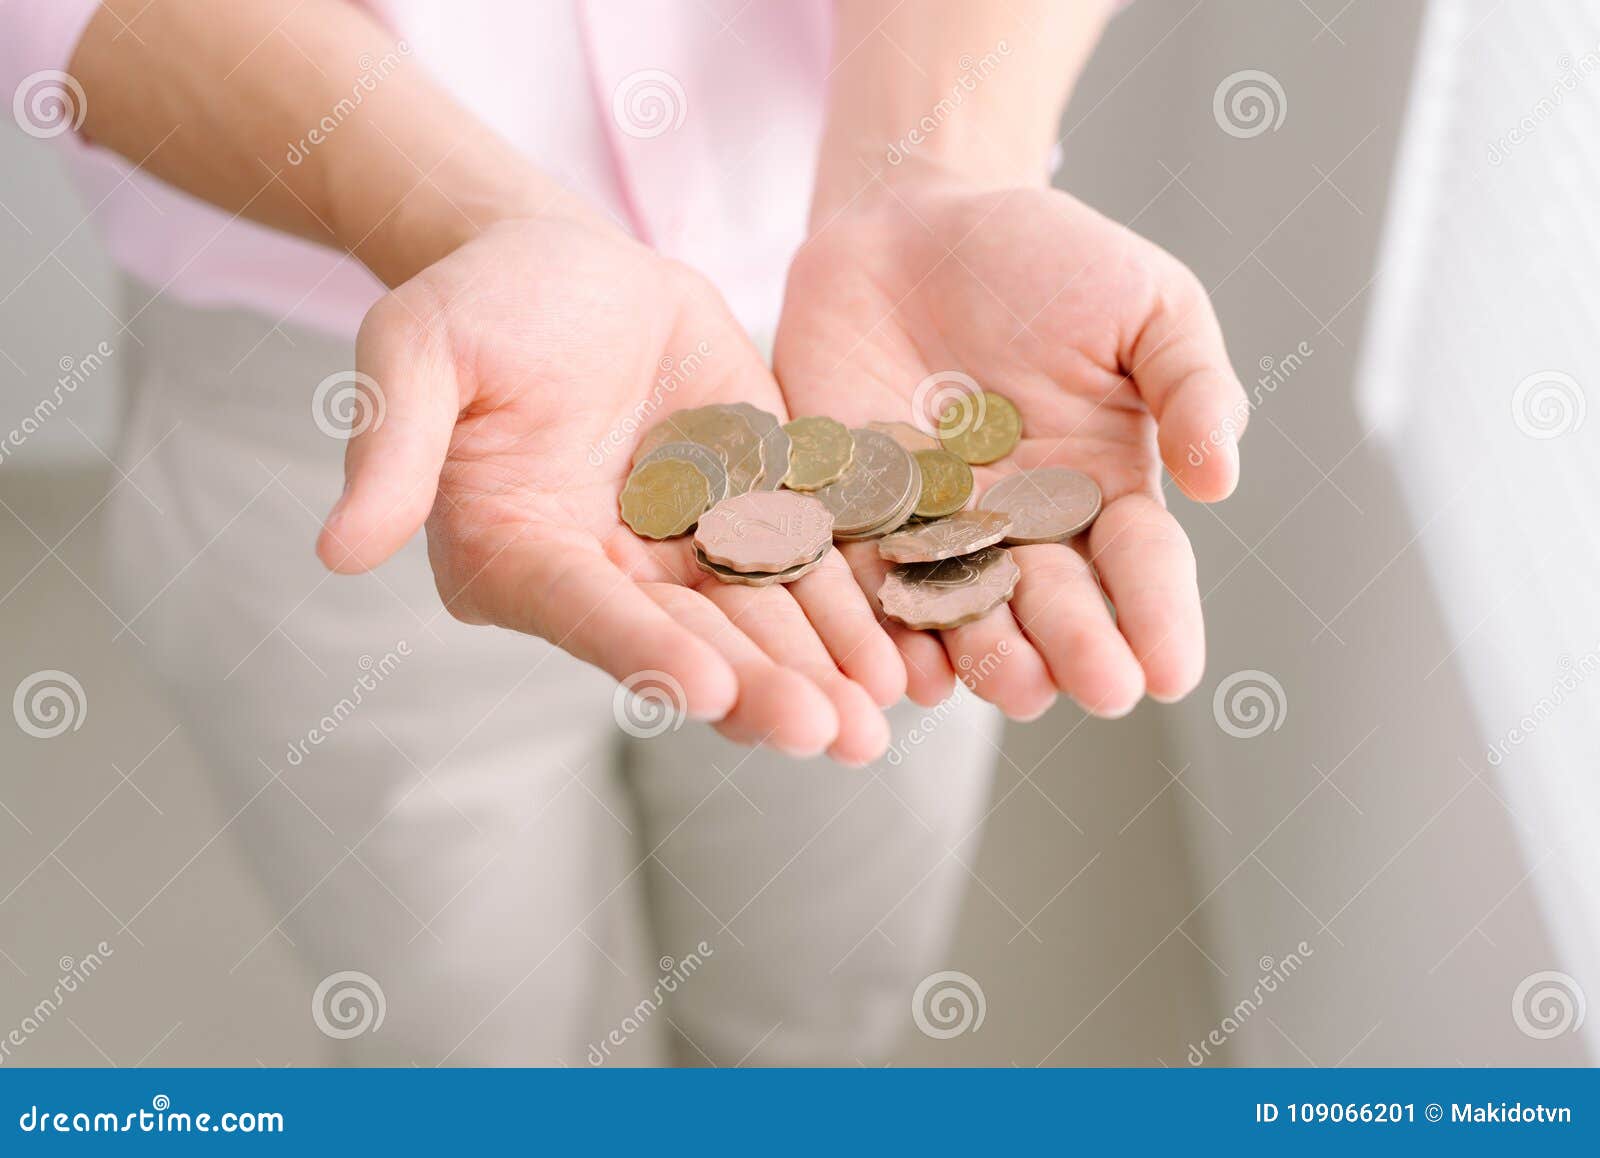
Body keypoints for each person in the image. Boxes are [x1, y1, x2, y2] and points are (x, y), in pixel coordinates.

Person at [2, 0, 1244, 1064]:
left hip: (903, 345)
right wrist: (472, 223)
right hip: (341, 364)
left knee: (822, 1004)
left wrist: (939, 168)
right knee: (455, 1047)